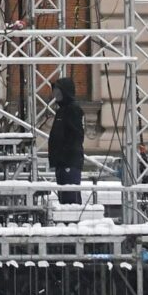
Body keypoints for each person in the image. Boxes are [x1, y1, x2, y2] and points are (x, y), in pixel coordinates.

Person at [47, 76, 86, 207]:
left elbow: (76, 135)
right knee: (64, 199)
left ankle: (73, 224)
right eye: (55, 91)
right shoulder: (61, 111)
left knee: (70, 199)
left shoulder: (72, 109)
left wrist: (65, 153)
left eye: (59, 91)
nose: (56, 95)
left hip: (69, 161)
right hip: (62, 162)